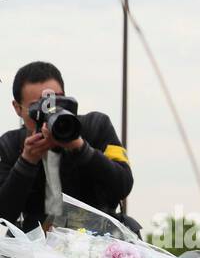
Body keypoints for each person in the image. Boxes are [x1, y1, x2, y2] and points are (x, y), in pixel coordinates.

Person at [0, 61, 133, 231]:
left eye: (56, 102)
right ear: (18, 108)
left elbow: (123, 185)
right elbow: (4, 215)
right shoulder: (9, 145)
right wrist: (26, 162)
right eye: (38, 107)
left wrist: (81, 148)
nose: (50, 112)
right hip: (37, 248)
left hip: (100, 243)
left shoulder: (96, 126)